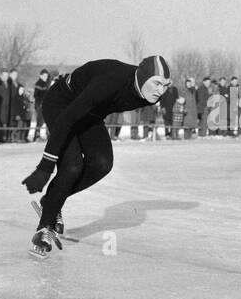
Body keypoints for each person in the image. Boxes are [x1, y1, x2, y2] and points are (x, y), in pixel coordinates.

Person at [21, 56, 171, 257]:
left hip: (90, 113)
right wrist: (45, 167)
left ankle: (51, 201)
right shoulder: (111, 81)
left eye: (166, 85)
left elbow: (93, 109)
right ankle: (44, 228)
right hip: (62, 105)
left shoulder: (149, 90)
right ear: (143, 78)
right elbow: (68, 118)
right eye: (157, 83)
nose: (160, 91)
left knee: (102, 163)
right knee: (72, 166)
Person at [32, 69, 51, 142]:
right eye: (44, 75)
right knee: (39, 120)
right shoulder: (39, 83)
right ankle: (36, 136)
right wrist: (39, 103)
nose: (46, 77)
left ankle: (43, 134)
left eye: (46, 75)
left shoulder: (45, 84)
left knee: (43, 120)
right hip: (39, 105)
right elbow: (36, 95)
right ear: (41, 76)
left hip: (44, 105)